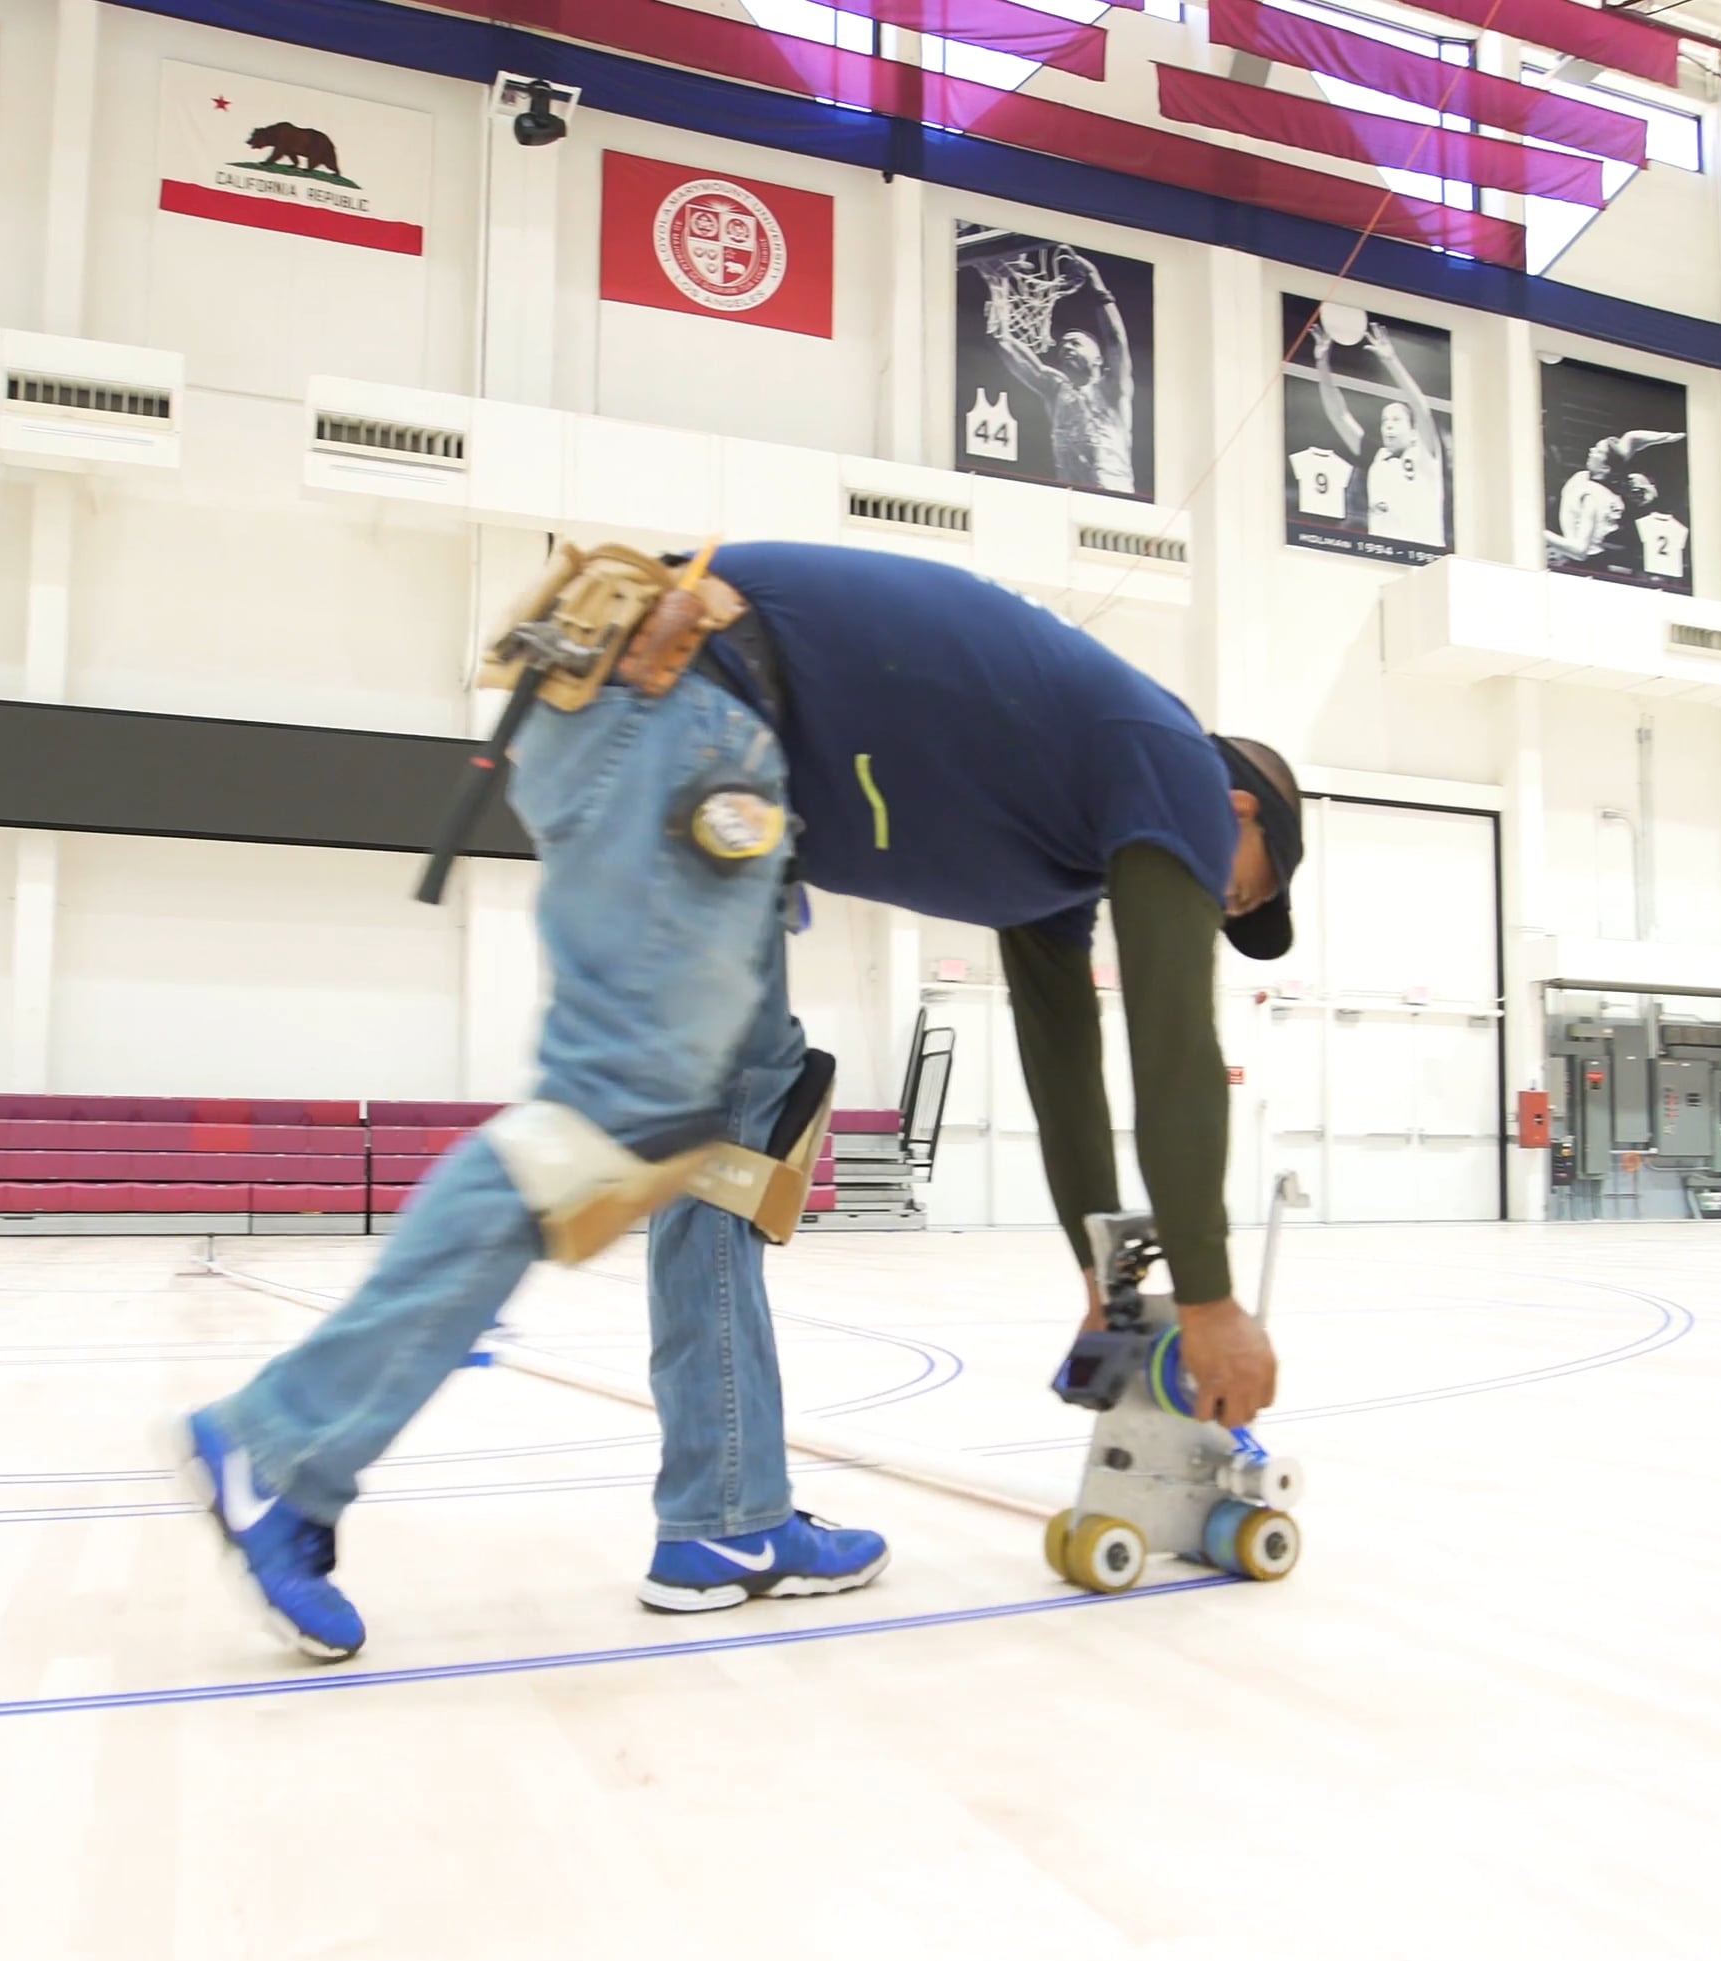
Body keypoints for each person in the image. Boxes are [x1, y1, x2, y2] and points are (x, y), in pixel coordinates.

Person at [184, 544, 1302, 1661]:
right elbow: (1173, 1047)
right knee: (609, 1124)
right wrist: (1209, 1302)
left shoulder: (1063, 860)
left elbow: (1067, 1065)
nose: (1211, 905)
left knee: (729, 1143)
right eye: (1237, 891)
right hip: (687, 714)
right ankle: (281, 1448)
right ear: (1238, 811)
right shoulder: (1172, 765)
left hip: (697, 743)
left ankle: (726, 1518)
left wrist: (1108, 1287)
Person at [984, 245, 1137, 496]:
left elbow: (1115, 340)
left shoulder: (1112, 389)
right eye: (1064, 344)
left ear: (1098, 358)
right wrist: (998, 288)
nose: (1066, 347)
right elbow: (1005, 345)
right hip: (1070, 500)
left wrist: (1095, 280)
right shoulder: (1057, 390)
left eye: (1075, 343)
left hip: (1115, 496)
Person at [1308, 318, 1444, 550]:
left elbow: (1420, 407)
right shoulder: (1376, 457)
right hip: (1384, 557)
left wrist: (1390, 360)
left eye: (1396, 420)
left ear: (1413, 433)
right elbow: (1338, 415)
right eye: (1385, 421)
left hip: (1427, 559)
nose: (1388, 425)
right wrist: (1322, 363)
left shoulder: (1425, 454)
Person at [1548, 428, 1684, 572]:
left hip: (1584, 567)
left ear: (1604, 468)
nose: (1591, 450)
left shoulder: (1592, 498)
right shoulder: (1588, 476)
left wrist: (1538, 532)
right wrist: (1666, 437)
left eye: (1598, 451)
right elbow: (1631, 438)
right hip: (1569, 553)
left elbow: (1579, 551)